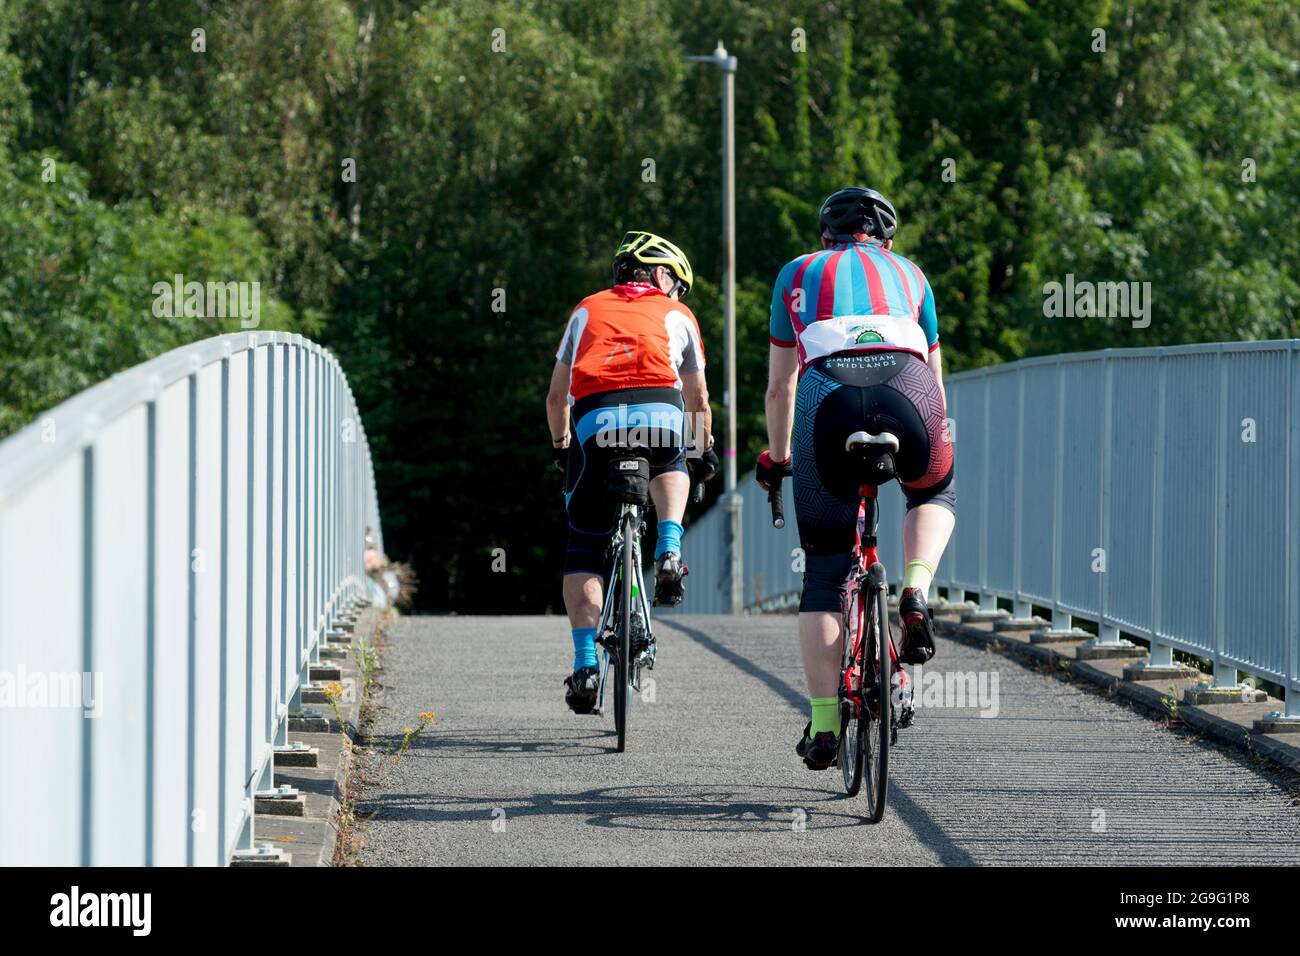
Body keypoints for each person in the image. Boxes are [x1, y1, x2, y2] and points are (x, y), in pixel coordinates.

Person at [756, 187, 955, 770]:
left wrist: (777, 459)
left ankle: (822, 724)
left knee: (823, 573)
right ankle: (915, 587)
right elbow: (936, 382)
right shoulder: (913, 275)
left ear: (825, 238)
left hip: (827, 401)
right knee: (934, 491)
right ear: (887, 241)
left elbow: (778, 387)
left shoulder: (796, 274)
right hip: (910, 395)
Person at [546, 231, 718, 713]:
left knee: (583, 545)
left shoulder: (585, 309)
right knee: (673, 456)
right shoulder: (678, 314)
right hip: (660, 413)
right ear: (662, 275)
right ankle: (668, 545)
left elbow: (557, 397)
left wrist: (562, 448)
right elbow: (699, 400)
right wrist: (702, 450)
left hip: (595, 421)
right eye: (677, 284)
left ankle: (584, 665)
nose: (678, 294)